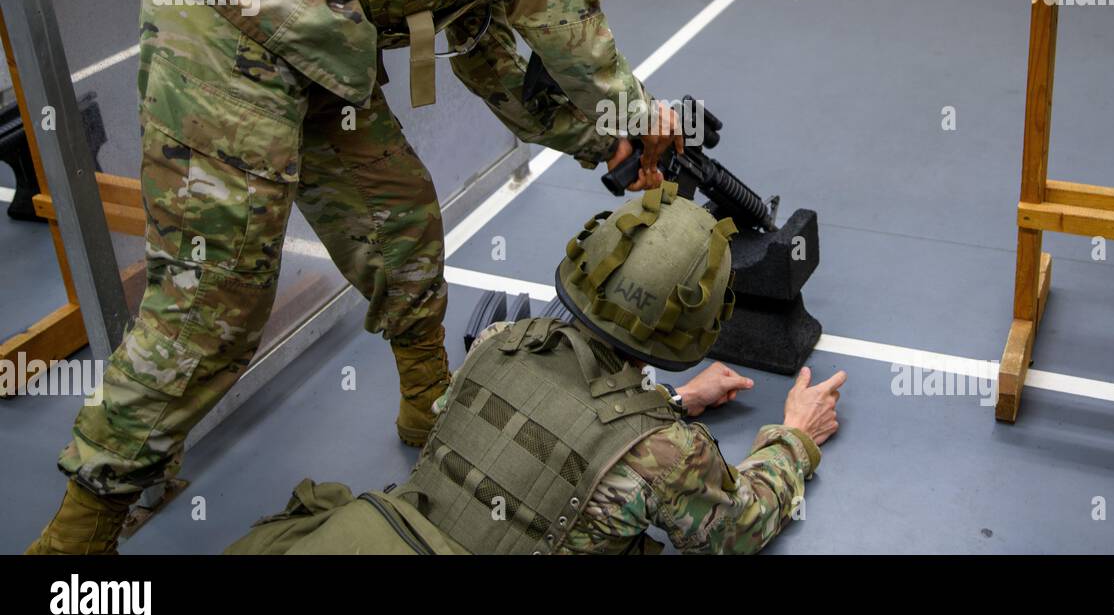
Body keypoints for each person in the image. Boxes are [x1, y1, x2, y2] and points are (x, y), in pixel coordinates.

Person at [28, 0, 681, 555]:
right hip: (227, 26)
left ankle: (428, 405)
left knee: (397, 217)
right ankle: (78, 537)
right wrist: (640, 117)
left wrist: (600, 146)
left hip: (309, 37)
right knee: (215, 304)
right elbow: (570, 32)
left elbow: (497, 70)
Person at [225, 183, 847, 555]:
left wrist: (674, 404)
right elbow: (737, 529)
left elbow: (550, 425)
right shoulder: (668, 454)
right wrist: (794, 436)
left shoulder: (500, 342)